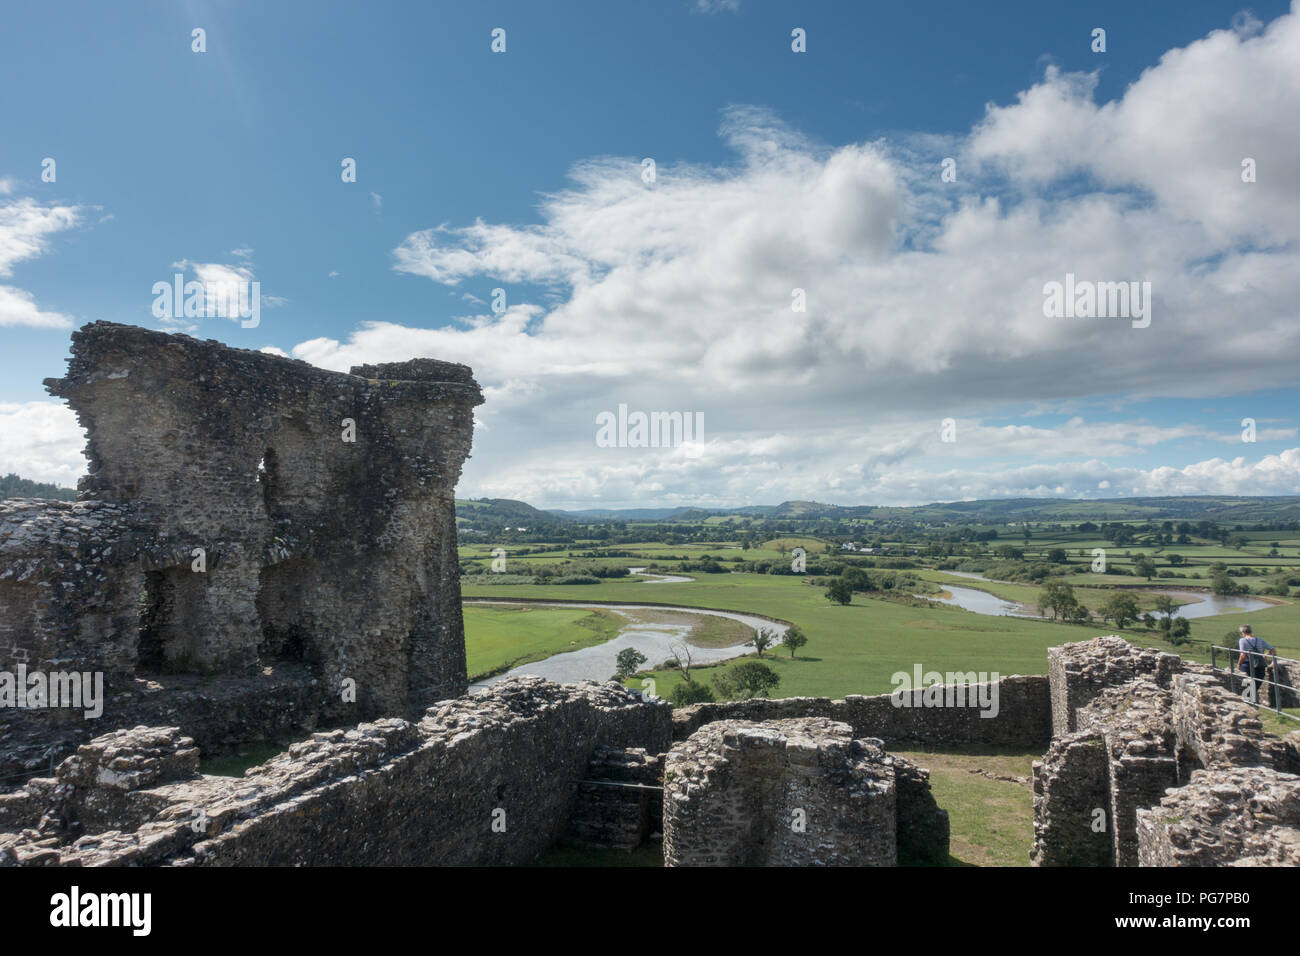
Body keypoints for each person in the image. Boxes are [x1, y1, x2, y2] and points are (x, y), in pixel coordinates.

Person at [1237, 625, 1276, 702]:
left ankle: (1247, 702)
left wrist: (1239, 664)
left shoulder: (1242, 640)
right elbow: (1272, 649)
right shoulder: (1260, 640)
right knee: (1256, 685)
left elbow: (1243, 655)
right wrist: (1265, 655)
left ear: (1243, 632)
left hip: (1247, 665)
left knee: (1247, 685)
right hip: (1259, 665)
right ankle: (1252, 701)